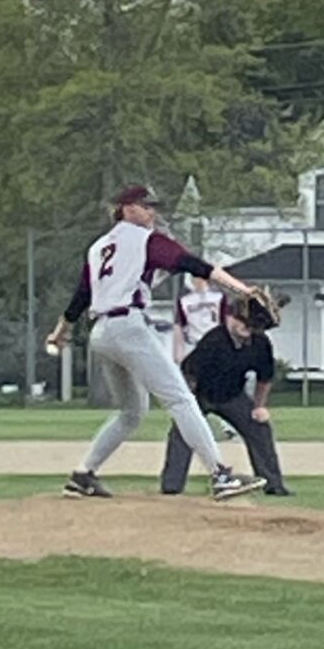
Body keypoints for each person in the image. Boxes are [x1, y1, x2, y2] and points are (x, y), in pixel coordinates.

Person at [47, 183, 266, 501]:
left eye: (153, 207)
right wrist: (242, 290)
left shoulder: (98, 248)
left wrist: (61, 331)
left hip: (102, 333)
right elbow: (194, 264)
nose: (152, 212)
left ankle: (82, 475)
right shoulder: (145, 240)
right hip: (127, 327)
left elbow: (82, 295)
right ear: (127, 208)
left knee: (132, 412)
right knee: (181, 399)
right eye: (146, 206)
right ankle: (220, 475)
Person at [160, 292, 293, 498]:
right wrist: (184, 406)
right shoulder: (215, 340)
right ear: (230, 317)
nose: (245, 327)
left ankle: (273, 484)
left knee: (260, 429)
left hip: (232, 394)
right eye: (241, 321)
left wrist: (259, 406)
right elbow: (189, 374)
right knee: (182, 433)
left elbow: (264, 379)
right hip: (200, 393)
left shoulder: (260, 344)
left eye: (250, 324)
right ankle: (171, 486)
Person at [173, 274, 225, 364]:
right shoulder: (184, 300)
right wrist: (178, 353)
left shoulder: (218, 296)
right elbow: (179, 326)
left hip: (215, 343)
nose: (198, 280)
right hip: (194, 343)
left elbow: (226, 321)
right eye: (195, 277)